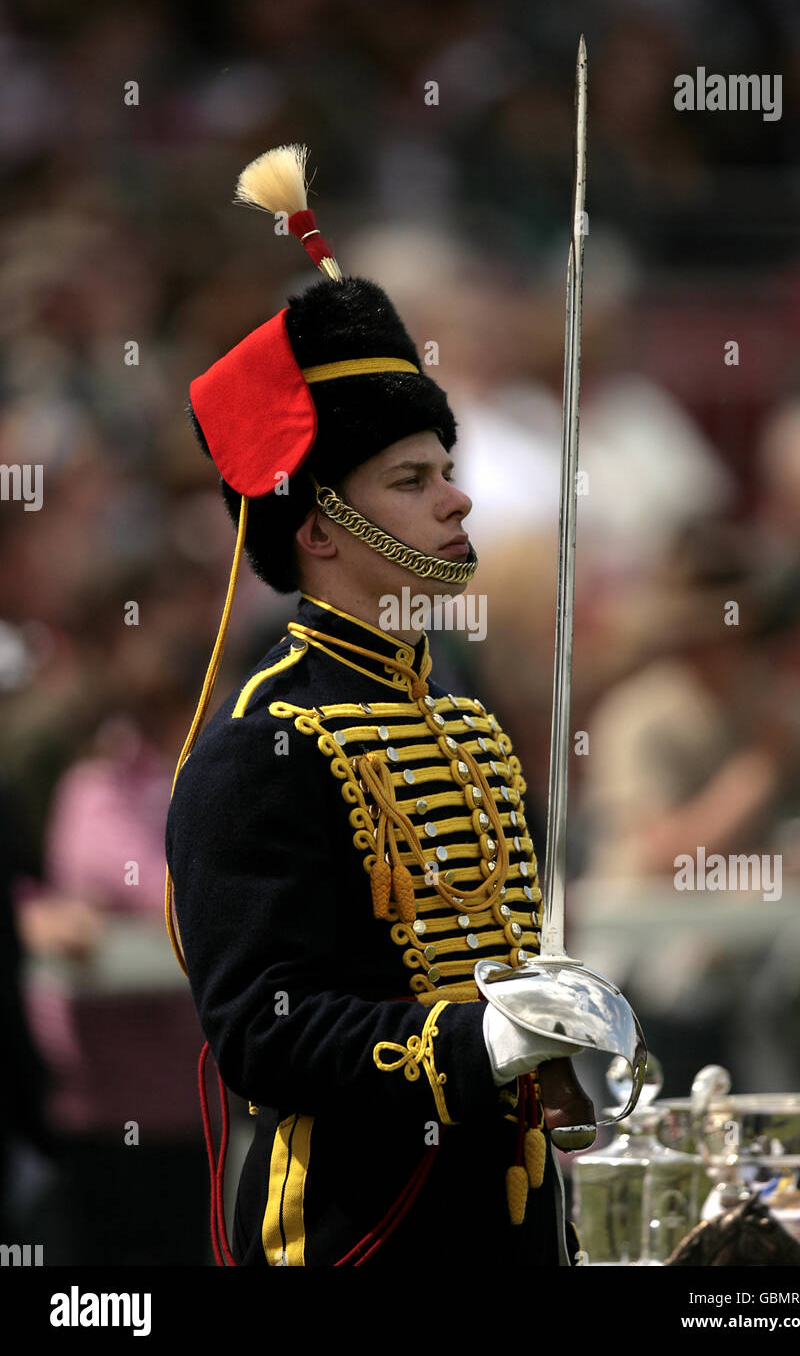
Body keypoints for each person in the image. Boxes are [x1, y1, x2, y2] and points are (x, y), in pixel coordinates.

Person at [164, 146, 591, 1268]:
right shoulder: (261, 744)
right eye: (409, 480)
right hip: (363, 1225)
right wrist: (474, 1038)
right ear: (317, 527)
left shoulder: (462, 714)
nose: (456, 498)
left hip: (501, 1210)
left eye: (443, 466)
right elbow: (263, 1030)